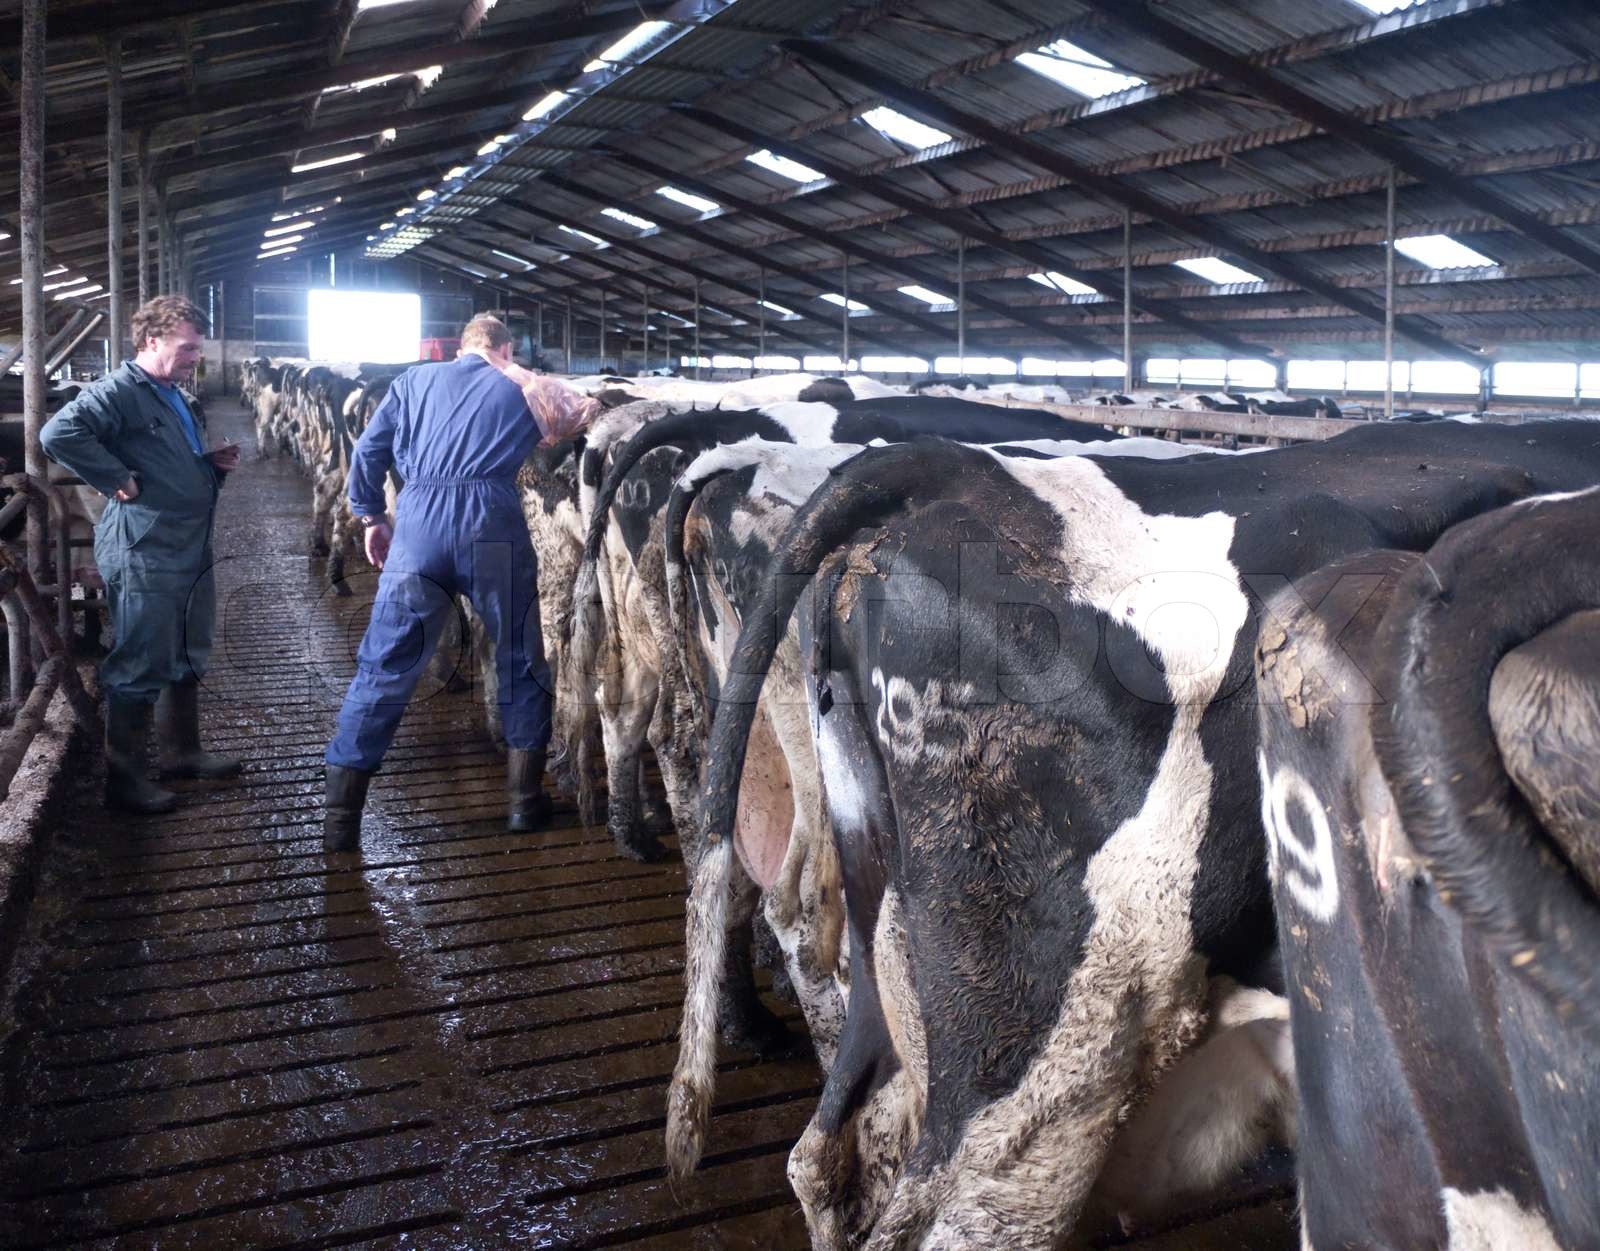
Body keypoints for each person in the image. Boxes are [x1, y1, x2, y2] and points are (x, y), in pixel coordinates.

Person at [322, 315, 591, 852]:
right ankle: (522, 804)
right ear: (505, 348)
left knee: (386, 665)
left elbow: (370, 452)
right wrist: (524, 379)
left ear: (460, 347)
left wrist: (372, 517)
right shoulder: (524, 387)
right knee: (518, 657)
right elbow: (584, 414)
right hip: (491, 527)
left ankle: (339, 822)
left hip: (418, 528)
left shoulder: (411, 382)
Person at [41, 294, 243, 814]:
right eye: (188, 347)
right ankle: (125, 781)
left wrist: (209, 464)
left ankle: (182, 752)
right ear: (152, 341)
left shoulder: (171, 391)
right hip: (146, 546)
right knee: (141, 656)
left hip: (188, 541)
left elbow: (163, 456)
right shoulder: (121, 390)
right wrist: (116, 478)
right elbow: (57, 432)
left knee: (187, 646)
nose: (197, 355)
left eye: (198, 347)